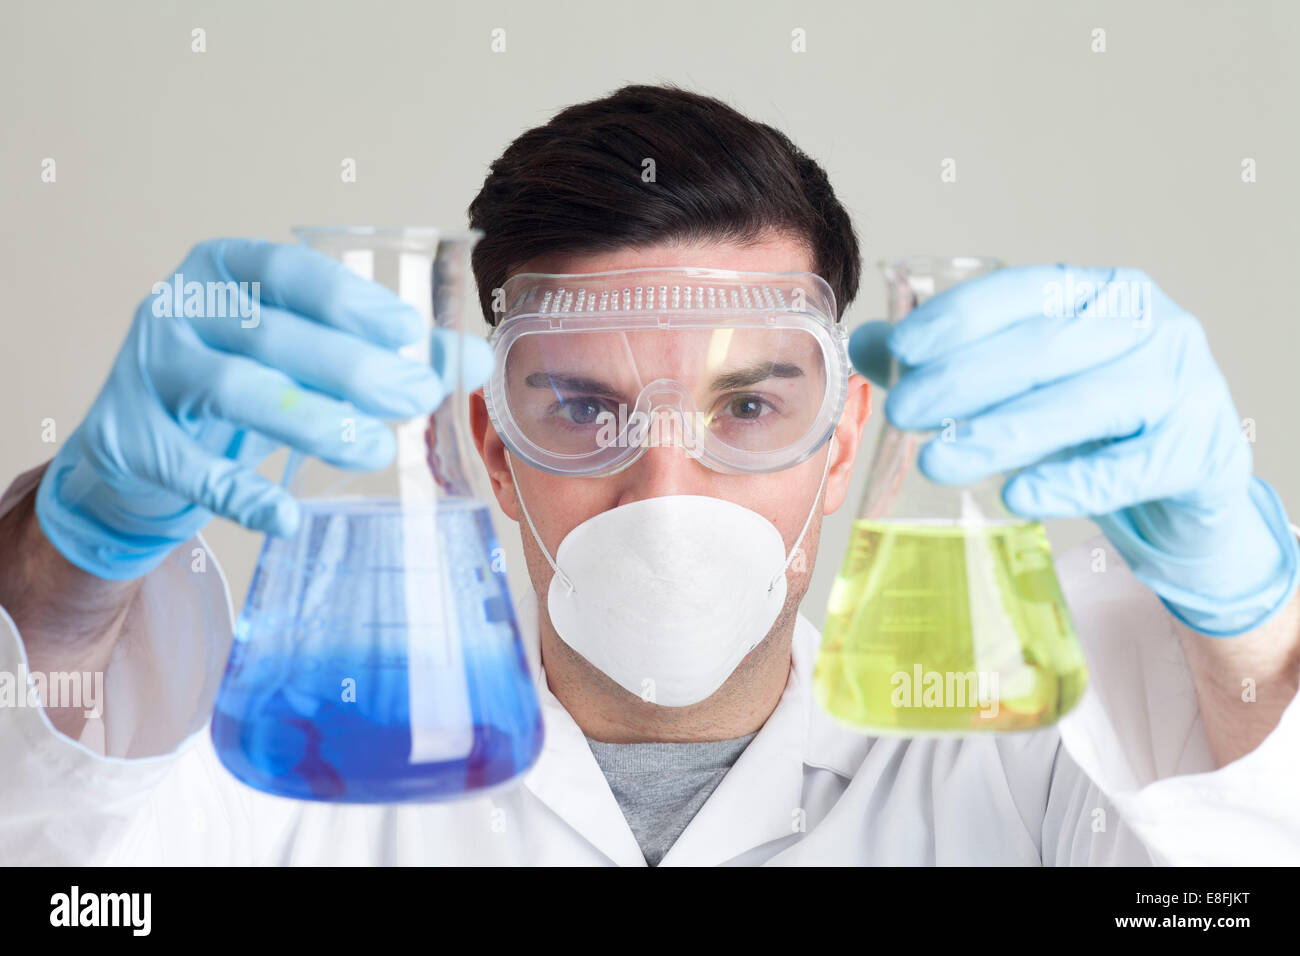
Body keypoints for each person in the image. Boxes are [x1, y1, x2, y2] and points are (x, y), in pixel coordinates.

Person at [1, 85, 1297, 866]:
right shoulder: (299, 761)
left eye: (749, 403)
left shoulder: (1019, 750)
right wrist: (68, 567)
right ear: (489, 449)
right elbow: (54, 869)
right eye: (582, 406)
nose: (665, 486)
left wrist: (1247, 624)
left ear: (843, 441)